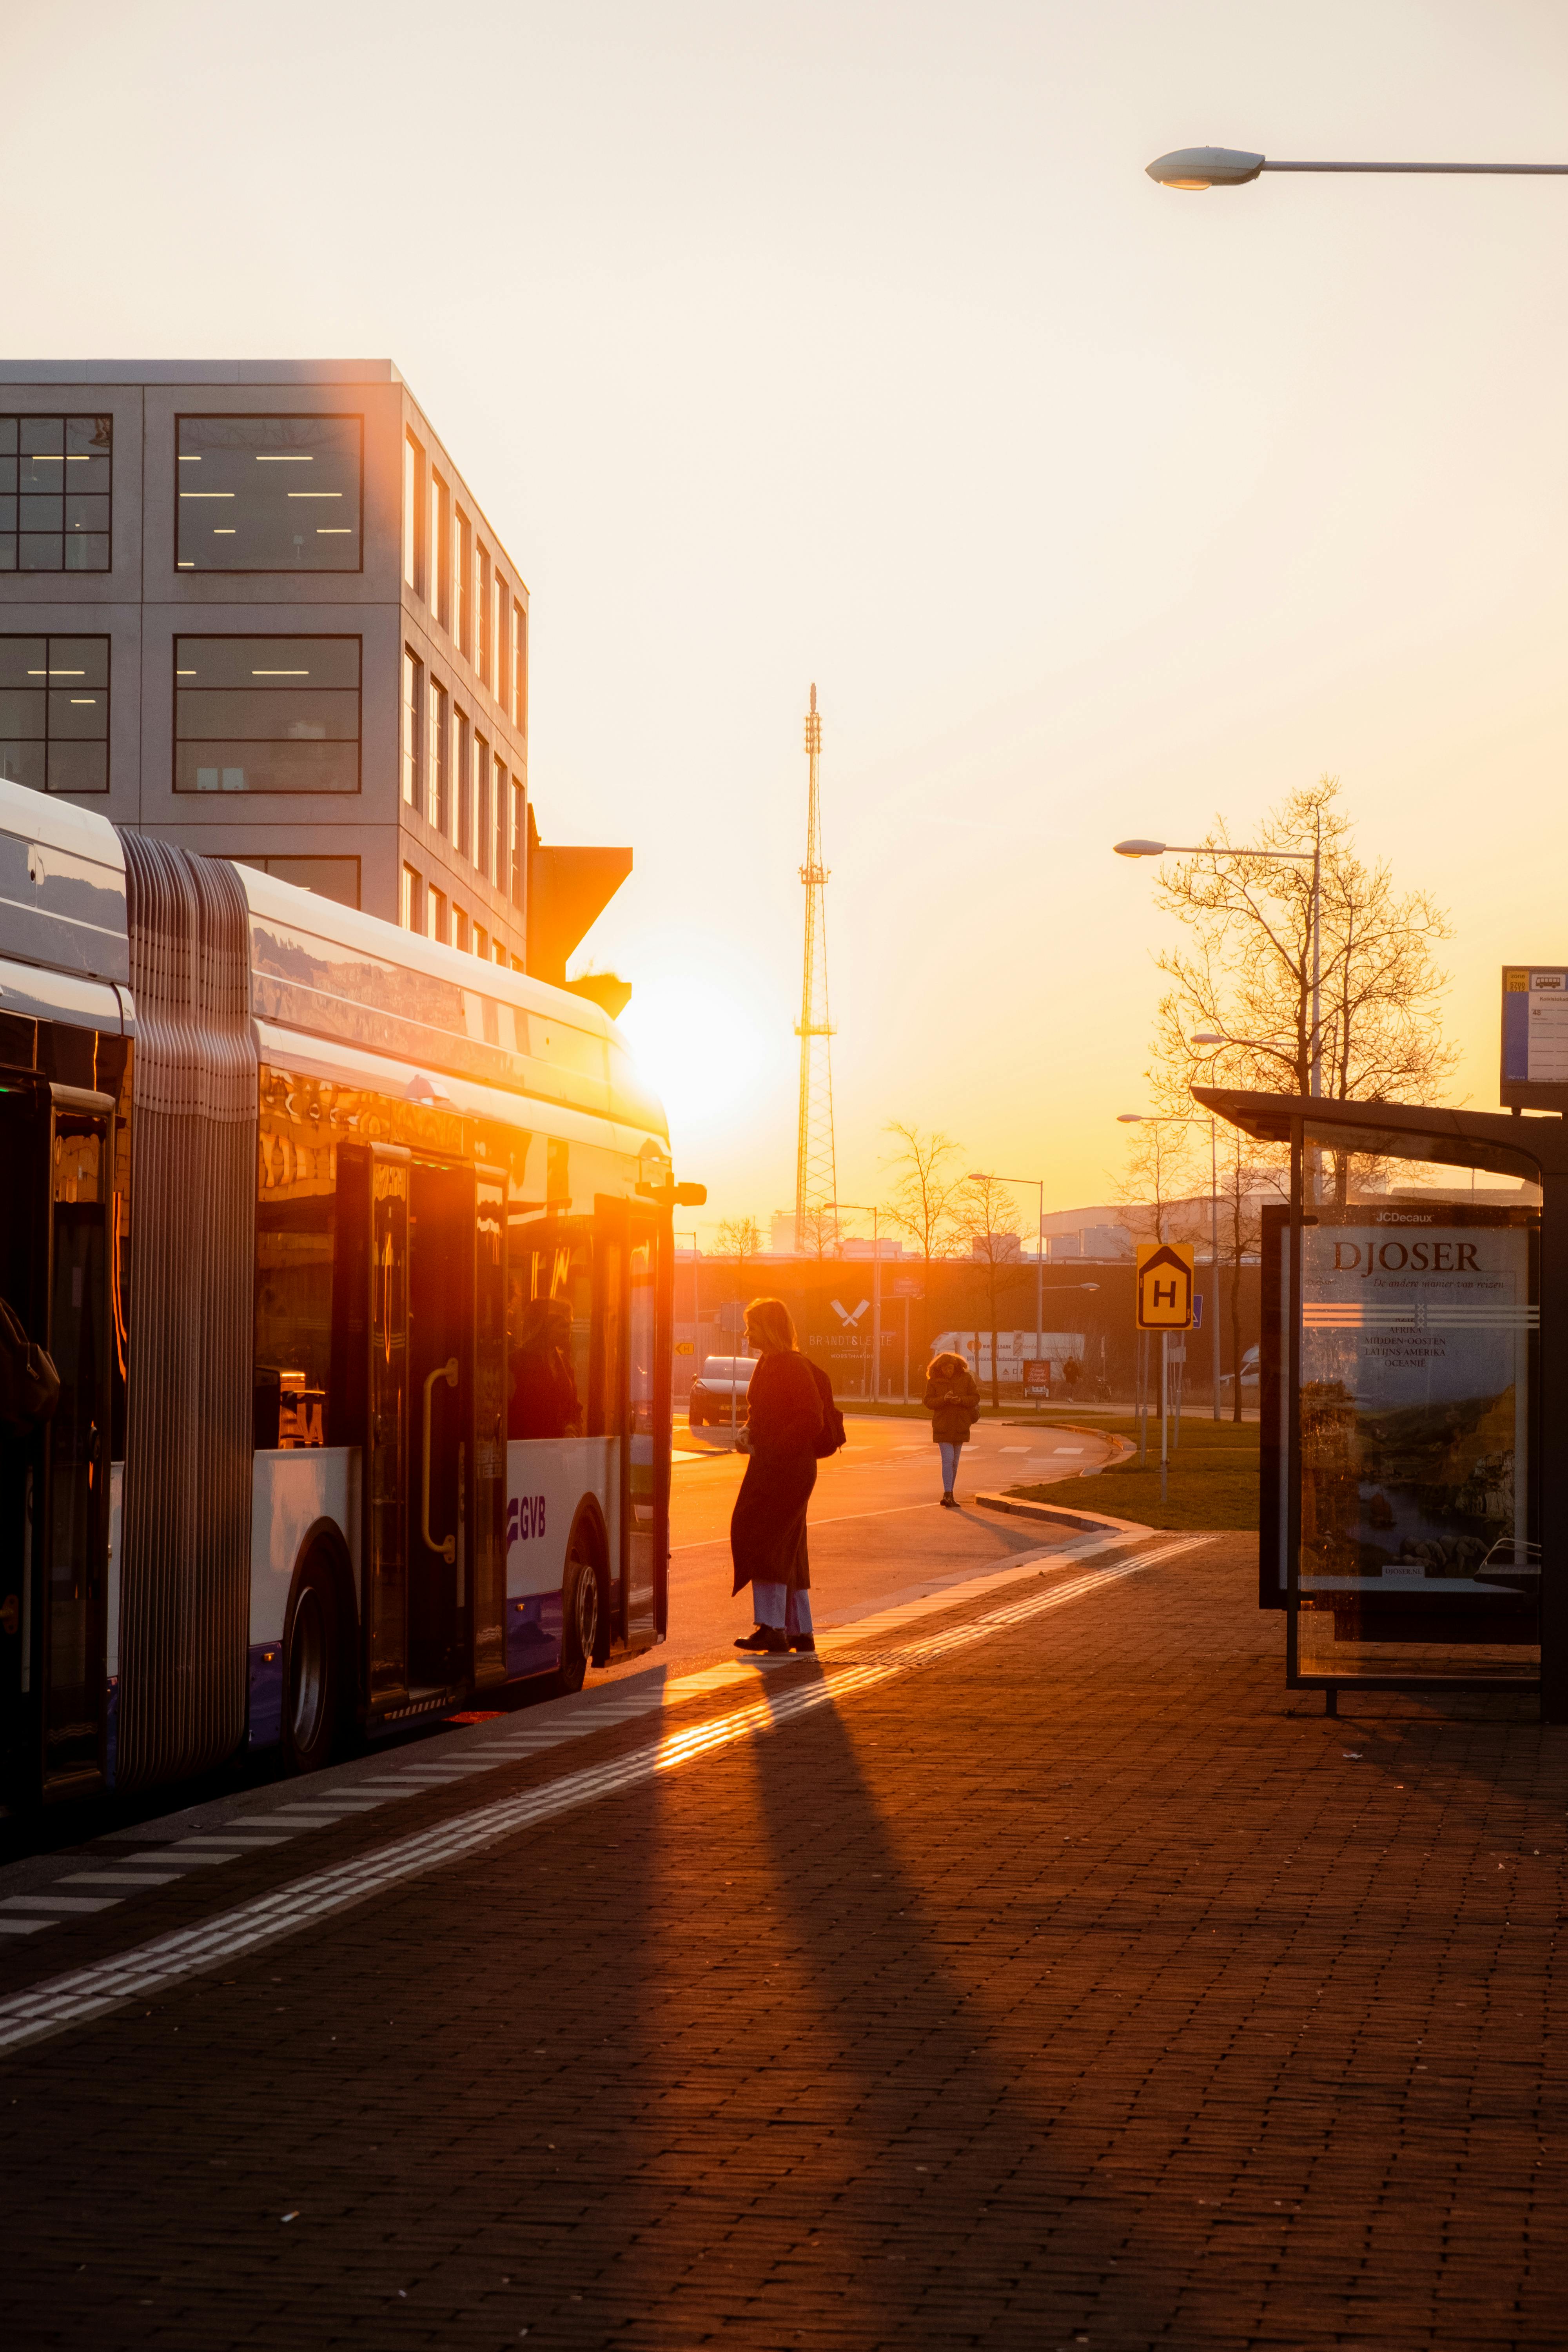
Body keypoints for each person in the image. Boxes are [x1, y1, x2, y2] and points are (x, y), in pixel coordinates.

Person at [730, 1295, 822, 1655]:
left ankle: (771, 1627)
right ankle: (800, 1630)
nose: (747, 1332)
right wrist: (750, 1431)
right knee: (789, 1547)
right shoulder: (768, 1363)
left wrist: (774, 1446)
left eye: (753, 1326)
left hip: (786, 1468)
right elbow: (763, 1410)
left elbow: (810, 1418)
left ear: (769, 1328)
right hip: (773, 1463)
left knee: (763, 1539)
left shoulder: (792, 1366)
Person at [507, 1296, 583, 1440]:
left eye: (570, 1325)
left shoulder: (566, 1366)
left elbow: (575, 1410)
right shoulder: (516, 1363)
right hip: (526, 1453)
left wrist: (573, 1431)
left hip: (557, 1456)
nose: (569, 1331)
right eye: (563, 1325)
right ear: (543, 1326)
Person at [924, 1347, 980, 1506]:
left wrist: (961, 1400)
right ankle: (947, 1493)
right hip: (943, 1425)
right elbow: (928, 1402)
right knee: (947, 1460)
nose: (948, 1371)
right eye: (945, 1369)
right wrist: (944, 1399)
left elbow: (976, 1397)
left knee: (955, 1462)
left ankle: (951, 1494)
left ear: (956, 1367)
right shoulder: (933, 1381)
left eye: (951, 1368)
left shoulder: (966, 1378)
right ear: (939, 1369)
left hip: (961, 1424)